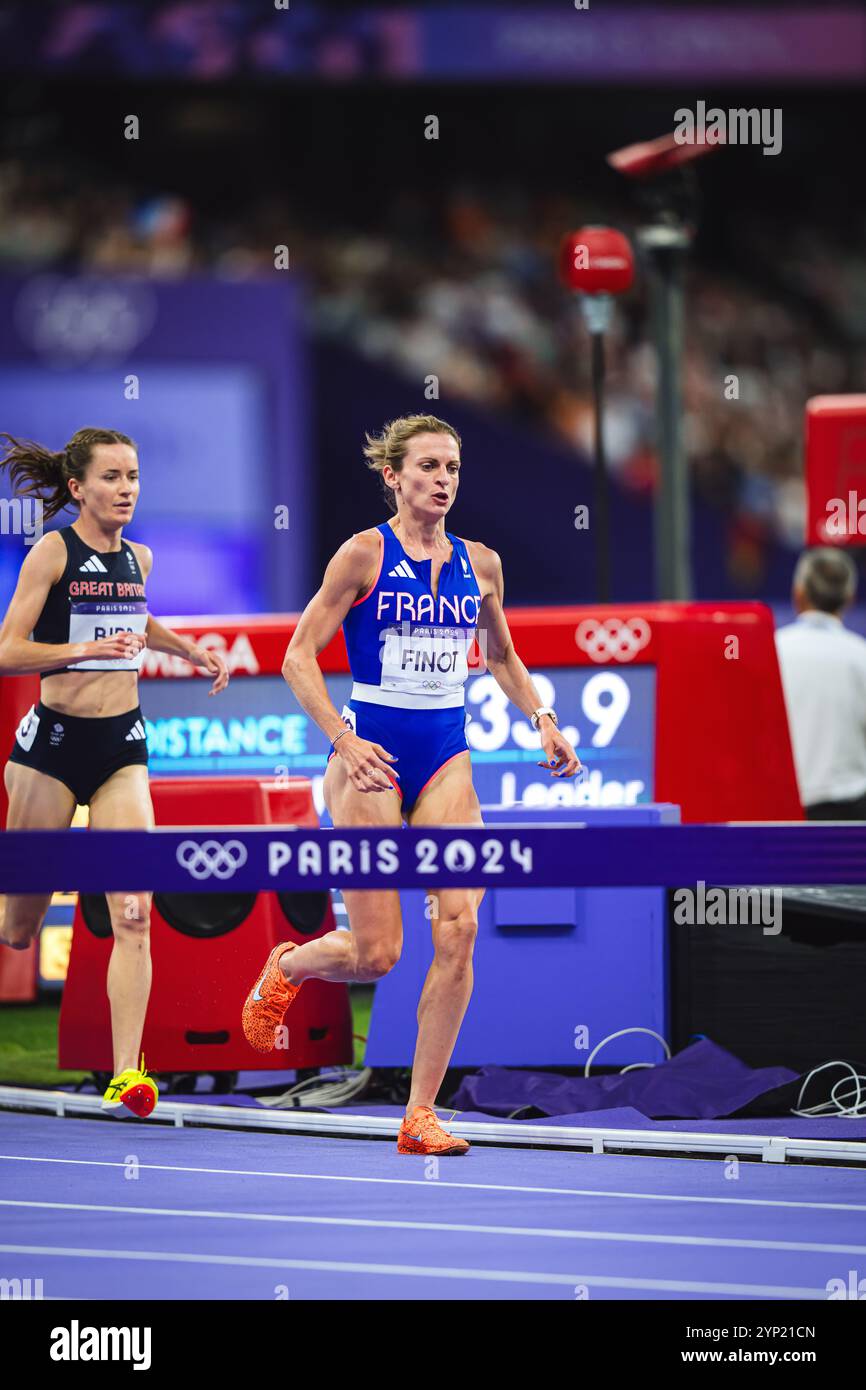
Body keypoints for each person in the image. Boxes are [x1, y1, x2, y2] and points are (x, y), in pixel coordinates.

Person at [242, 413, 582, 1154]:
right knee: (377, 956)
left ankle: (420, 1114)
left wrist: (544, 719)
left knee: (458, 929)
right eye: (428, 466)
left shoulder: (481, 564)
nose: (443, 480)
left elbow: (501, 658)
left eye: (453, 468)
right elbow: (298, 657)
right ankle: (290, 964)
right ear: (393, 476)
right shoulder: (362, 554)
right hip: (369, 759)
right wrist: (343, 739)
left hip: (445, 759)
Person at [0, 428, 229, 1114]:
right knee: (17, 926)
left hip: (121, 747)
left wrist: (192, 651)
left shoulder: (141, 558)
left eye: (133, 476)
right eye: (112, 477)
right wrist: (81, 651)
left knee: (134, 909)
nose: (126, 488)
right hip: (52, 749)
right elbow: (9, 650)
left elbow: (140, 620)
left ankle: (127, 1073)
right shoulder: (52, 552)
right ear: (78, 489)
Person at [775, 547, 866, 819]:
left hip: (782, 813)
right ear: (849, 598)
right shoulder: (860, 655)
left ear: (798, 594)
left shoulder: (770, 651)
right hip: (852, 816)